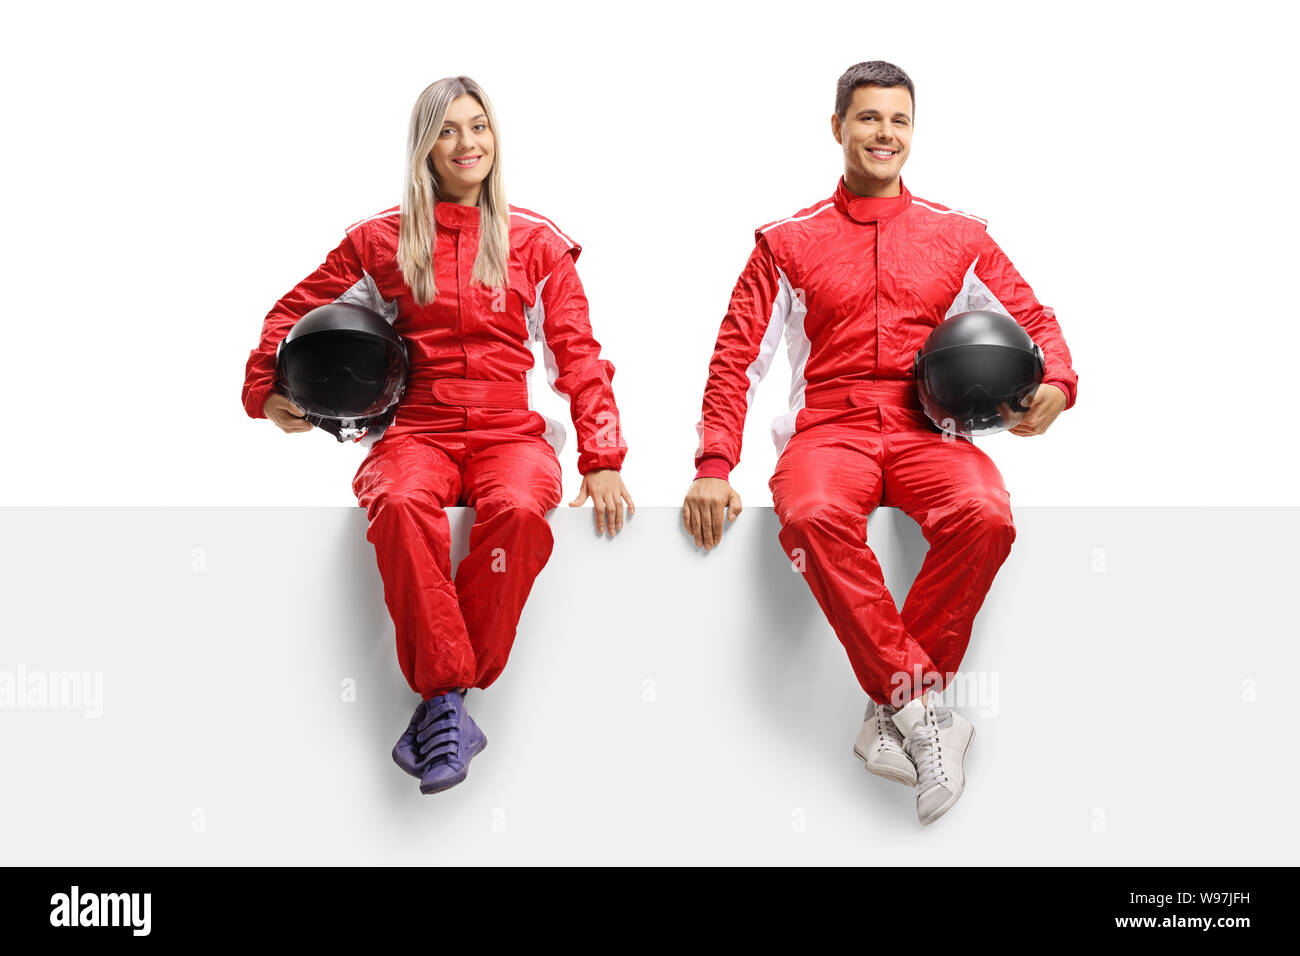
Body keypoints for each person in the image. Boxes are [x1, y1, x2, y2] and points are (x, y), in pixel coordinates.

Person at [681, 61, 1077, 825]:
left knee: (985, 515)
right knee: (811, 517)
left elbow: (1036, 318)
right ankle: (927, 716)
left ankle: (896, 709)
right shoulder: (785, 242)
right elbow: (737, 357)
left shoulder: (959, 236)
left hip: (931, 429)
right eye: (867, 118)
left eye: (897, 120)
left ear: (913, 131)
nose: (883, 134)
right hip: (829, 430)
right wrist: (713, 463)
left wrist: (1058, 380)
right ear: (837, 128)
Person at [242, 76, 634, 796]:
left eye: (479, 127)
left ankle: (441, 701)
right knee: (397, 505)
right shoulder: (378, 239)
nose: (467, 144)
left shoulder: (537, 242)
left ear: (496, 139)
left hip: (508, 433)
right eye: (449, 130)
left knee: (518, 511)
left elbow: (579, 356)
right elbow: (290, 313)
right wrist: (266, 389)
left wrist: (603, 458)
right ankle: (452, 704)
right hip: (414, 432)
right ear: (425, 146)